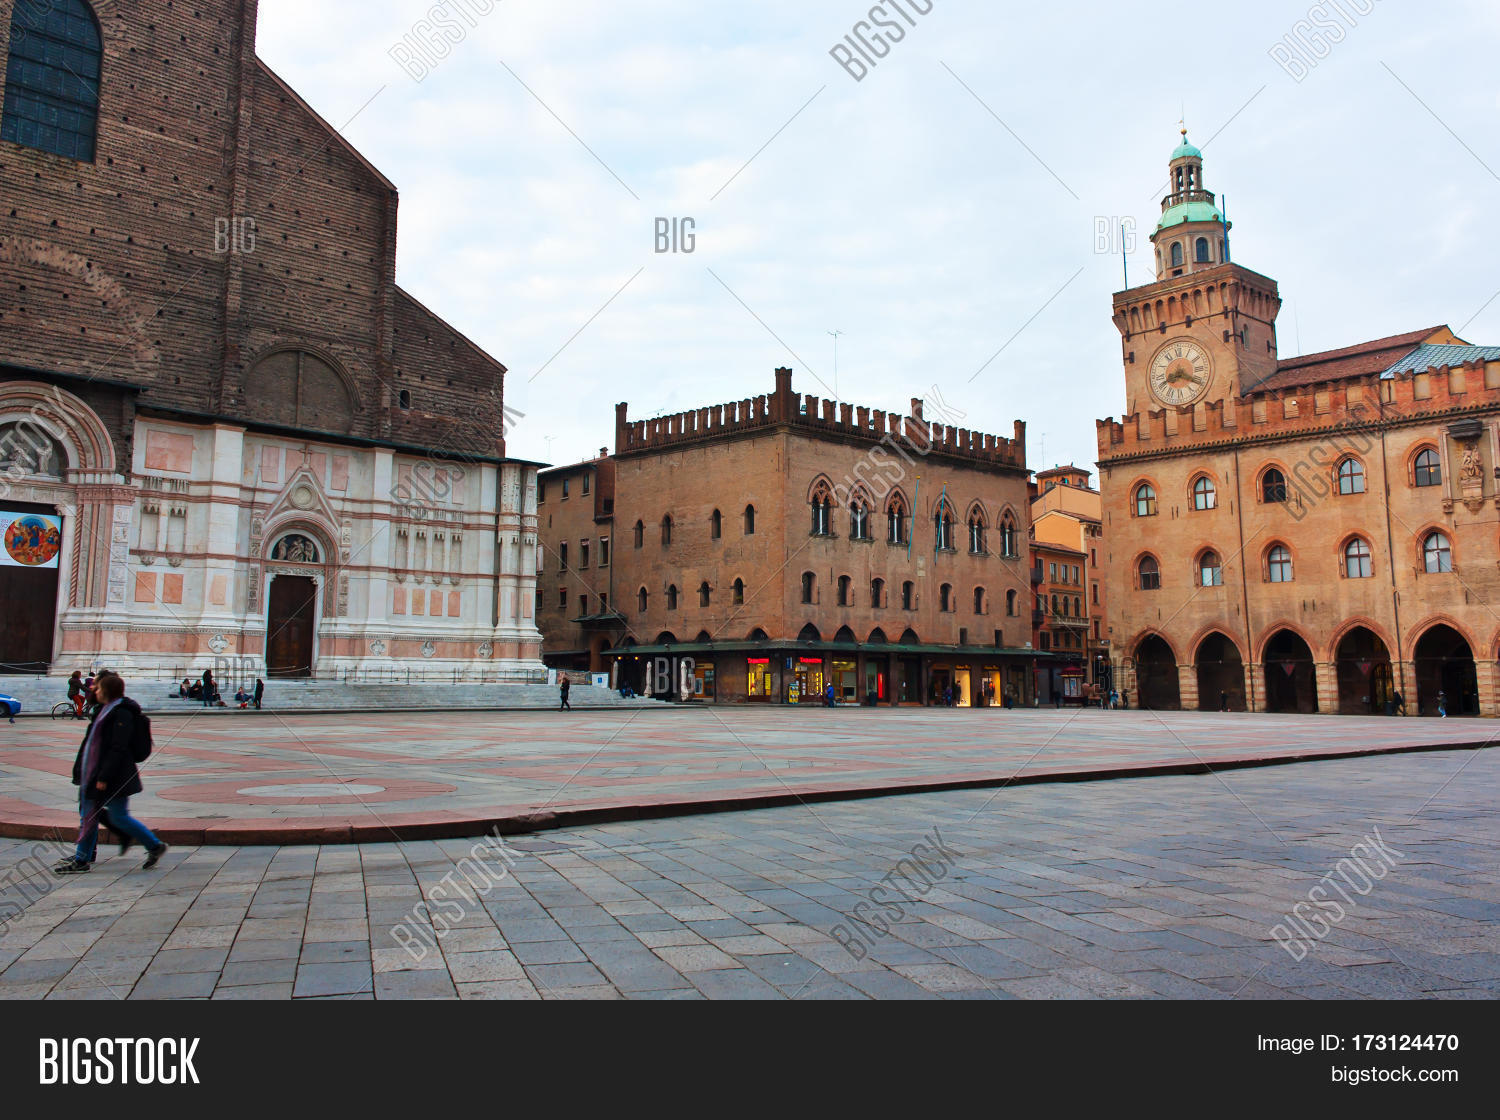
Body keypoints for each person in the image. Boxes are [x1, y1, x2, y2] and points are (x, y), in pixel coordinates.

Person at [53, 671, 168, 875]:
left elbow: (118, 747)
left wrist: (103, 777)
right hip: (96, 772)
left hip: (113, 775)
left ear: (107, 690)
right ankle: (82, 859)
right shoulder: (104, 710)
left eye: (97, 687)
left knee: (118, 817)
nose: (93, 689)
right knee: (89, 815)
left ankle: (154, 845)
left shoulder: (120, 712)